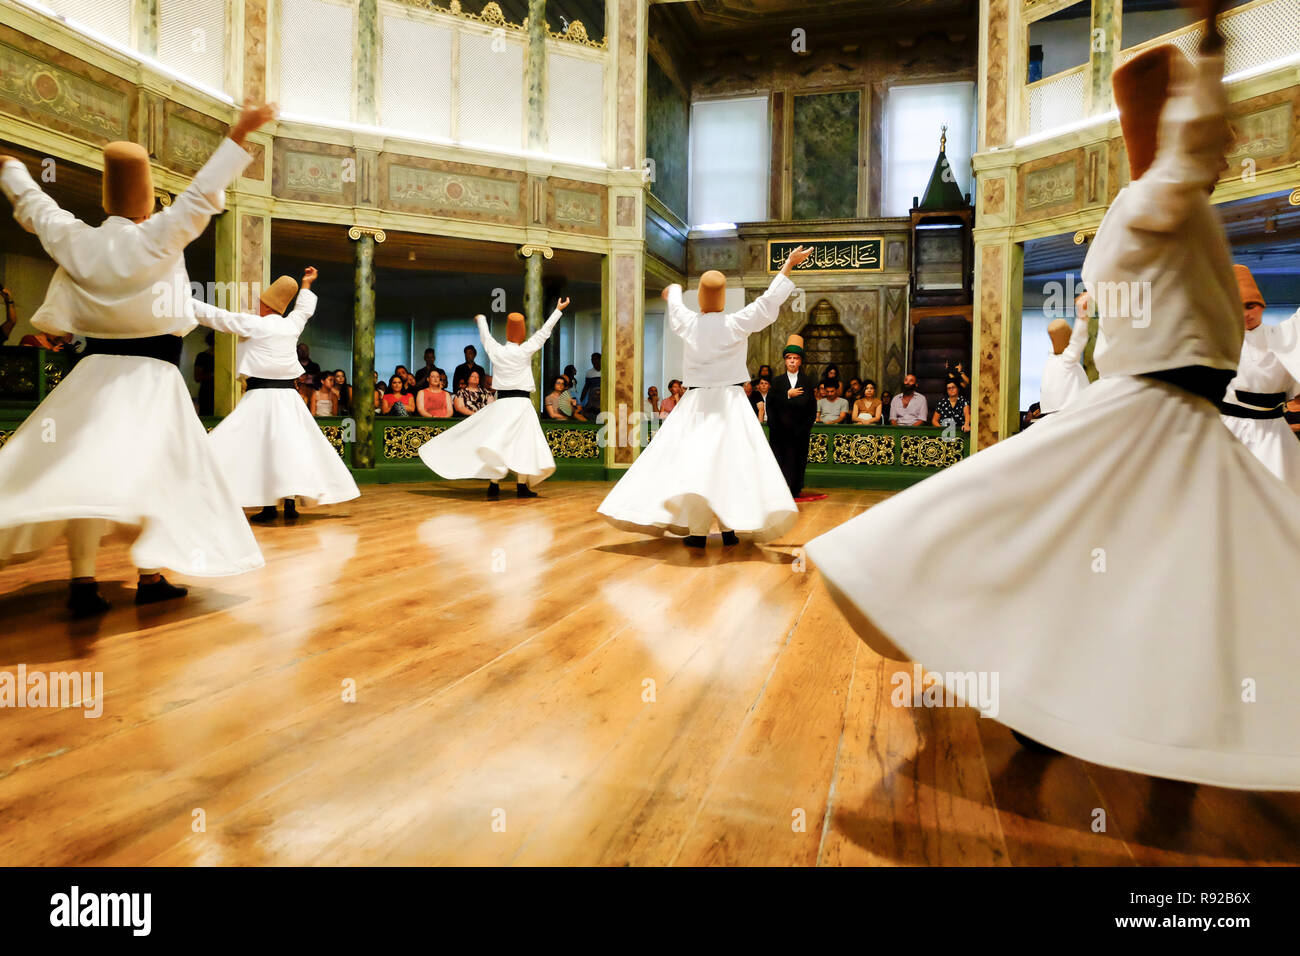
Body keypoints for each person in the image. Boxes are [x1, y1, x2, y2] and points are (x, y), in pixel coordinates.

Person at [806, 1, 1300, 790]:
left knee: (1099, 562)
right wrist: (1212, 43)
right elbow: (1200, 144)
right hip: (1157, 420)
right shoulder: (1154, 202)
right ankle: (1047, 698)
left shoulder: (1156, 210)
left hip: (1173, 420)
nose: (1229, 140)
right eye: (1203, 126)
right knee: (1096, 558)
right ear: (1171, 130)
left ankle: (1053, 698)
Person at [0, 100, 275, 616]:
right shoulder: (158, 236)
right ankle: (150, 574)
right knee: (160, 470)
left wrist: (10, 169)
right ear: (148, 202)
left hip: (91, 374)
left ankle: (84, 582)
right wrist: (239, 133)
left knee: (83, 474)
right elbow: (201, 197)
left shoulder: (75, 238)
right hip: (152, 378)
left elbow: (36, 209)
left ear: (107, 200)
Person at [598, 246, 813, 546]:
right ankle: (729, 530)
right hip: (731, 405)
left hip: (697, 405)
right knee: (730, 465)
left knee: (696, 467)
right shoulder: (736, 322)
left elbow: (675, 307)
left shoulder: (689, 322)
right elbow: (768, 302)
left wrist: (673, 292)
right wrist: (789, 264)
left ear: (699, 298)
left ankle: (698, 534)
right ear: (724, 299)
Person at [198, 267, 360, 523]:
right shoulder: (290, 325)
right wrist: (306, 284)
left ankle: (269, 507)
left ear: (265, 305)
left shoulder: (255, 324)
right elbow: (304, 310)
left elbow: (217, 317)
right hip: (288, 398)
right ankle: (290, 504)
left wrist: (184, 301)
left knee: (260, 450)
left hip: (262, 396)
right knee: (290, 449)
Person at [420, 300, 568, 498]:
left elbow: (485, 337)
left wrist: (481, 320)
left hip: (502, 404)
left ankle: (494, 484)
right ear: (521, 332)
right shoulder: (525, 349)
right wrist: (558, 310)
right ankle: (521, 486)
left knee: (497, 442)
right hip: (522, 404)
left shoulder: (497, 350)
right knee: (522, 444)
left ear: (507, 332)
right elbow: (544, 332)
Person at [1218, 264, 1300, 493]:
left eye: (1250, 305)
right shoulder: (1217, 343)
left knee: (1280, 496)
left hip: (1273, 433)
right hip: (1229, 430)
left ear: (1261, 306)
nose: (1246, 313)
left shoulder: (1285, 337)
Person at [766, 333, 818, 502]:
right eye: (789, 358)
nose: (792, 361)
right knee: (780, 461)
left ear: (800, 361)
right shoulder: (778, 382)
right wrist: (787, 395)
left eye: (796, 358)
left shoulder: (807, 381)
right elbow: (771, 405)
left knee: (798, 461)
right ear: (785, 360)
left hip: (799, 432)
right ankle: (780, 490)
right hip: (780, 432)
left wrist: (805, 428)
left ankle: (795, 489)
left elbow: (810, 406)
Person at [1040, 292, 1091, 414]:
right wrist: (1082, 314)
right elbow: (1078, 341)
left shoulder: (1051, 361)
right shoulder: (1066, 361)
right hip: (1070, 413)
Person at [193, 330, 215, 415]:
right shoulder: (202, 356)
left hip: (224, 392)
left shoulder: (227, 358)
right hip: (207, 391)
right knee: (206, 414)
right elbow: (197, 377)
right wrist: (214, 375)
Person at [581, 351, 601, 415]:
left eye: (596, 359)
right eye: (592, 359)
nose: (593, 361)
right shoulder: (589, 373)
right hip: (592, 399)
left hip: (603, 399)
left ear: (600, 360)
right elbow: (586, 387)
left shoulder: (606, 371)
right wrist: (580, 400)